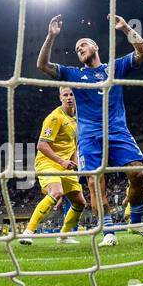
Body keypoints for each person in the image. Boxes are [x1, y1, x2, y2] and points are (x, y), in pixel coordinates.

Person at [36, 13, 143, 245]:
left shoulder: (114, 68)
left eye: (83, 44)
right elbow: (42, 65)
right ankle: (109, 231)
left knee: (137, 173)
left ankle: (137, 221)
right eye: (76, 48)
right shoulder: (74, 74)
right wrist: (51, 36)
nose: (79, 48)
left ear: (95, 47)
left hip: (117, 130)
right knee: (94, 182)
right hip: (89, 136)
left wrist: (125, 29)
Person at [20, 87, 85, 245]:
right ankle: (28, 232)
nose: (69, 98)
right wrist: (61, 161)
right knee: (56, 192)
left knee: (80, 202)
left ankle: (63, 236)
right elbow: (41, 145)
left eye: (71, 95)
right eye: (65, 95)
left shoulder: (78, 118)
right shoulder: (55, 118)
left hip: (65, 165)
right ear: (60, 98)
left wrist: (76, 164)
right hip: (48, 162)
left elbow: (72, 146)